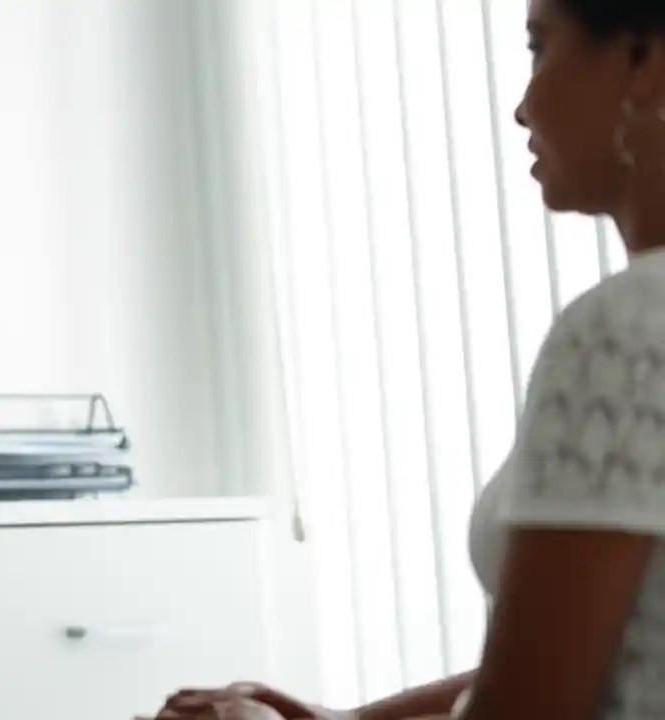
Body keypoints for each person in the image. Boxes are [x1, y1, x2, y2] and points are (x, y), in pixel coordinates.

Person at [150, 0, 665, 718]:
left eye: (540, 47)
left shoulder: (623, 334)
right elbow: (594, 655)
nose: (522, 107)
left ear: (645, 60)